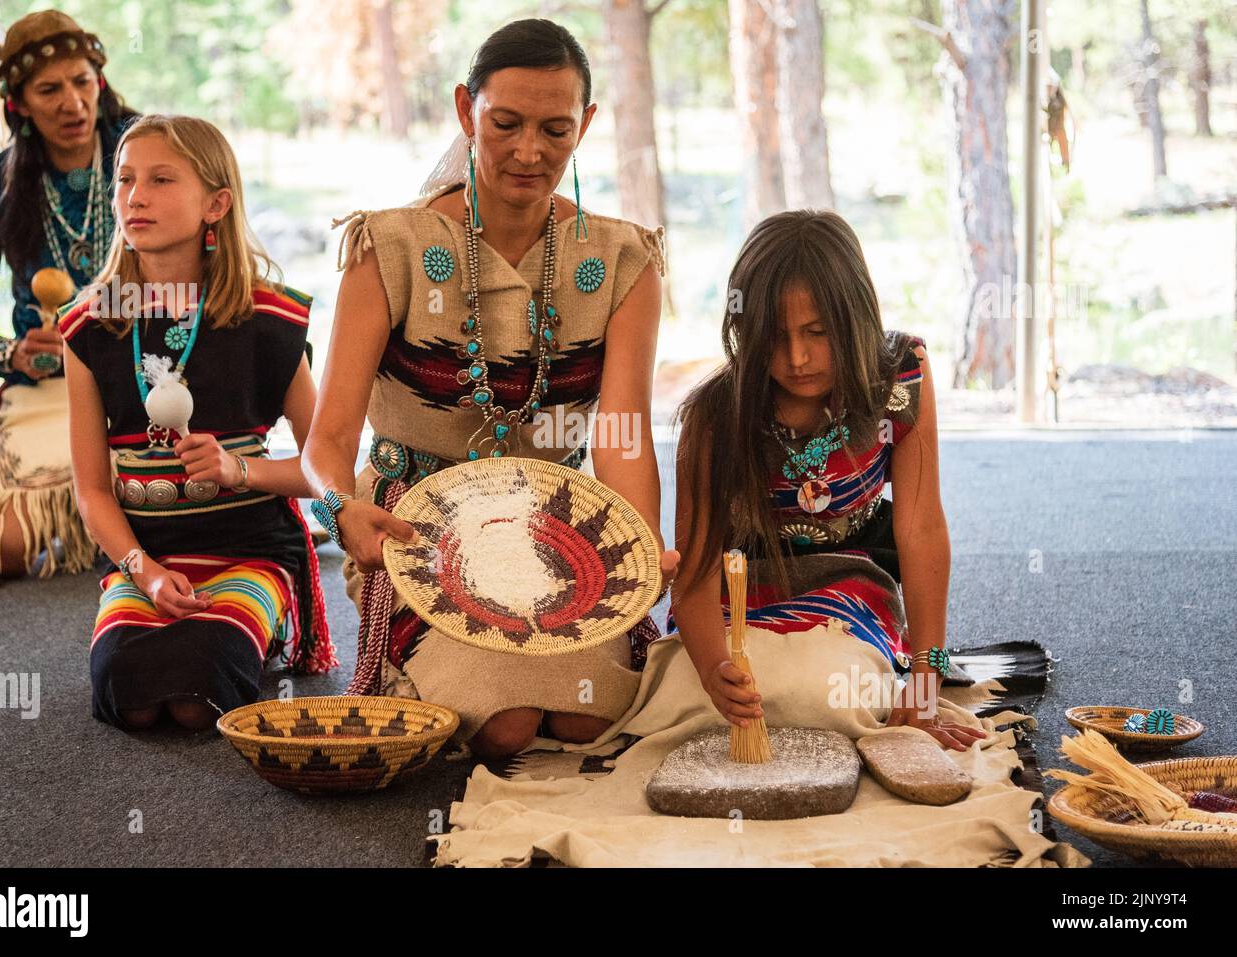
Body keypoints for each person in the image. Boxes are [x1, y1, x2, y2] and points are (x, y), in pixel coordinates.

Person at [303, 19, 679, 759]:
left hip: (559, 541)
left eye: (555, 129)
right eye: (505, 123)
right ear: (465, 111)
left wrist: (640, 547)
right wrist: (338, 506)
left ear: (588, 126)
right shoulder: (390, 245)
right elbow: (330, 437)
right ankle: (418, 671)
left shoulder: (624, 259)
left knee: (586, 719)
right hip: (417, 539)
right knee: (505, 724)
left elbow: (622, 435)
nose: (529, 151)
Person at [670, 210, 987, 751]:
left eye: (818, 333)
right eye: (774, 336)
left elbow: (921, 528)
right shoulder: (715, 415)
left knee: (829, 690)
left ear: (855, 318)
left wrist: (928, 678)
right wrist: (711, 667)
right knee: (684, 697)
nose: (797, 358)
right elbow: (696, 570)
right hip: (739, 595)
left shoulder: (901, 376)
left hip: (850, 583)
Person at [62, 114, 333, 731]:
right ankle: (189, 622)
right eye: (126, 180)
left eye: (161, 179)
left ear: (217, 203)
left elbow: (327, 466)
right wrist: (146, 574)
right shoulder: (89, 326)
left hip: (250, 552)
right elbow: (92, 489)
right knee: (125, 696)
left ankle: (256, 623)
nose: (136, 196)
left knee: (197, 698)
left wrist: (241, 470)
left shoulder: (266, 317)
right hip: (145, 557)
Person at [0, 10, 139, 591]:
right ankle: (99, 506)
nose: (72, 103)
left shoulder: (147, 153)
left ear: (99, 82)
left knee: (200, 510)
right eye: (49, 89)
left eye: (82, 82)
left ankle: (110, 506)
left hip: (152, 374)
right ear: (19, 102)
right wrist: (13, 354)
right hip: (51, 385)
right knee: (2, 549)